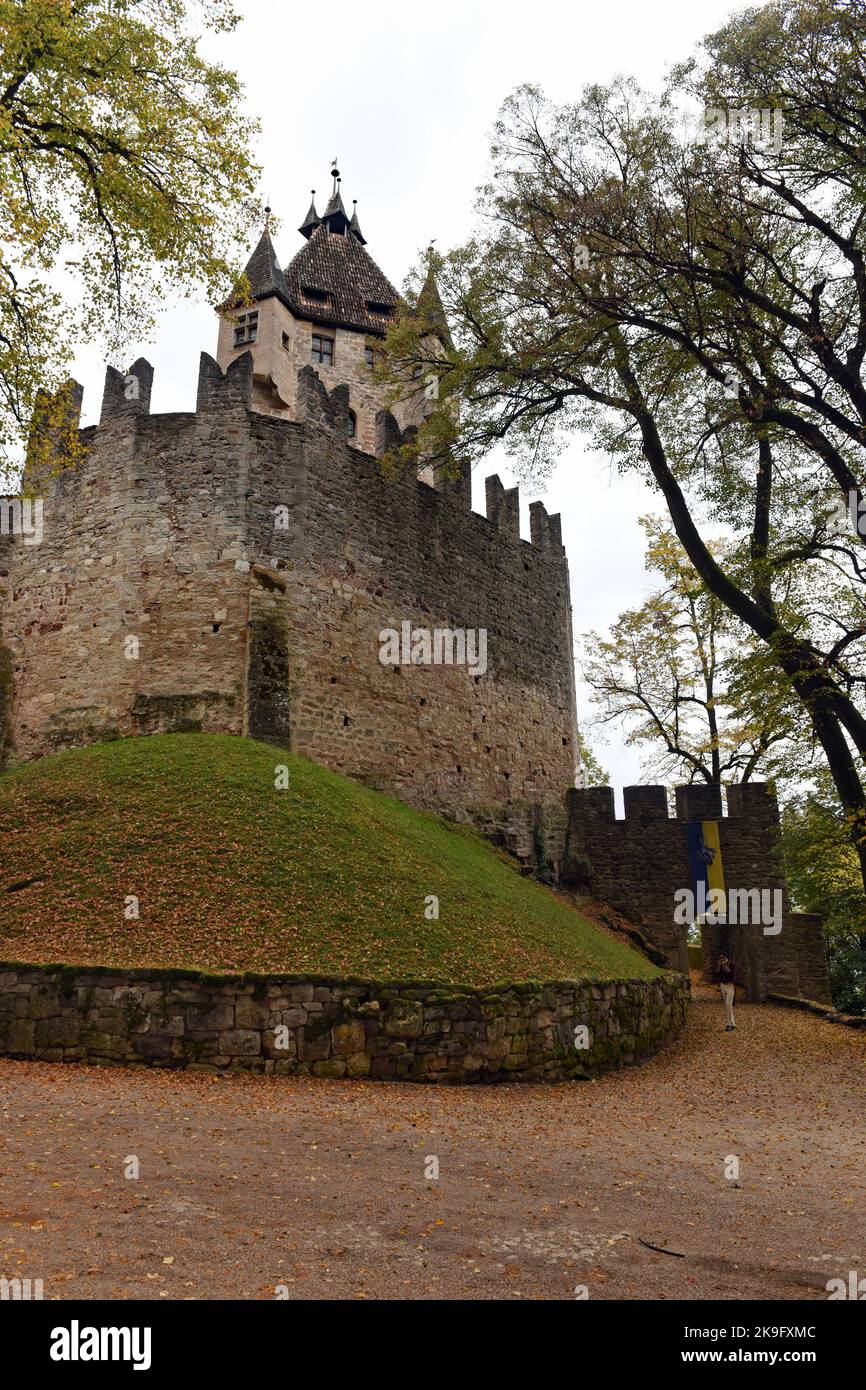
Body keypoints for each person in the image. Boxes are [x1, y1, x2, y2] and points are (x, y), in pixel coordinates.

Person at [716, 953, 736, 1031]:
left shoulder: (732, 964)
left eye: (723, 957)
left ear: (726, 957)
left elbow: (730, 974)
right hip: (722, 985)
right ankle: (732, 1023)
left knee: (728, 1004)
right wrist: (718, 966)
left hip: (730, 986)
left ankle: (729, 1024)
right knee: (727, 1005)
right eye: (720, 957)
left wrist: (724, 966)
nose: (722, 959)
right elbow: (716, 974)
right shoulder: (720, 964)